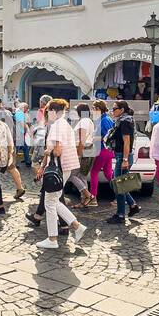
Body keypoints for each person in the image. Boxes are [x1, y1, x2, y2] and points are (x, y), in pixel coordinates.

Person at [36, 98, 88, 249]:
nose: (47, 113)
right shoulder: (65, 124)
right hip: (66, 167)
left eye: (48, 111)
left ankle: (52, 239)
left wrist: (47, 151)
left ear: (53, 111)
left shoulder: (57, 126)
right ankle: (77, 226)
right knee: (55, 200)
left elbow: (57, 151)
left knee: (50, 203)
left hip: (60, 167)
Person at [104, 100, 138, 226]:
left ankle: (120, 215)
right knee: (117, 183)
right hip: (120, 155)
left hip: (123, 157)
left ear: (122, 110)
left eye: (114, 109)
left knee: (119, 186)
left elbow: (127, 142)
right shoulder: (122, 121)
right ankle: (132, 205)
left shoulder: (125, 122)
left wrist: (124, 160)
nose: (112, 111)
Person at [0, 97, 25, 200]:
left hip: (0, 146)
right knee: (11, 167)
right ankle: (19, 188)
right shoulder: (8, 112)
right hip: (10, 142)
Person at [68, 102, 99, 208]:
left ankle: (88, 195)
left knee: (72, 175)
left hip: (84, 149)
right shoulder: (86, 120)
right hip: (87, 149)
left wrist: (78, 153)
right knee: (82, 176)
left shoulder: (84, 121)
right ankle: (84, 200)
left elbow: (82, 139)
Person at [90, 99, 116, 201]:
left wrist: (94, 138)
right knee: (108, 174)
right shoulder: (106, 119)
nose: (92, 110)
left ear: (98, 109)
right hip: (108, 151)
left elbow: (107, 136)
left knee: (94, 172)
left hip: (103, 150)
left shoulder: (104, 120)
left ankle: (93, 197)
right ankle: (121, 194)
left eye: (93, 108)